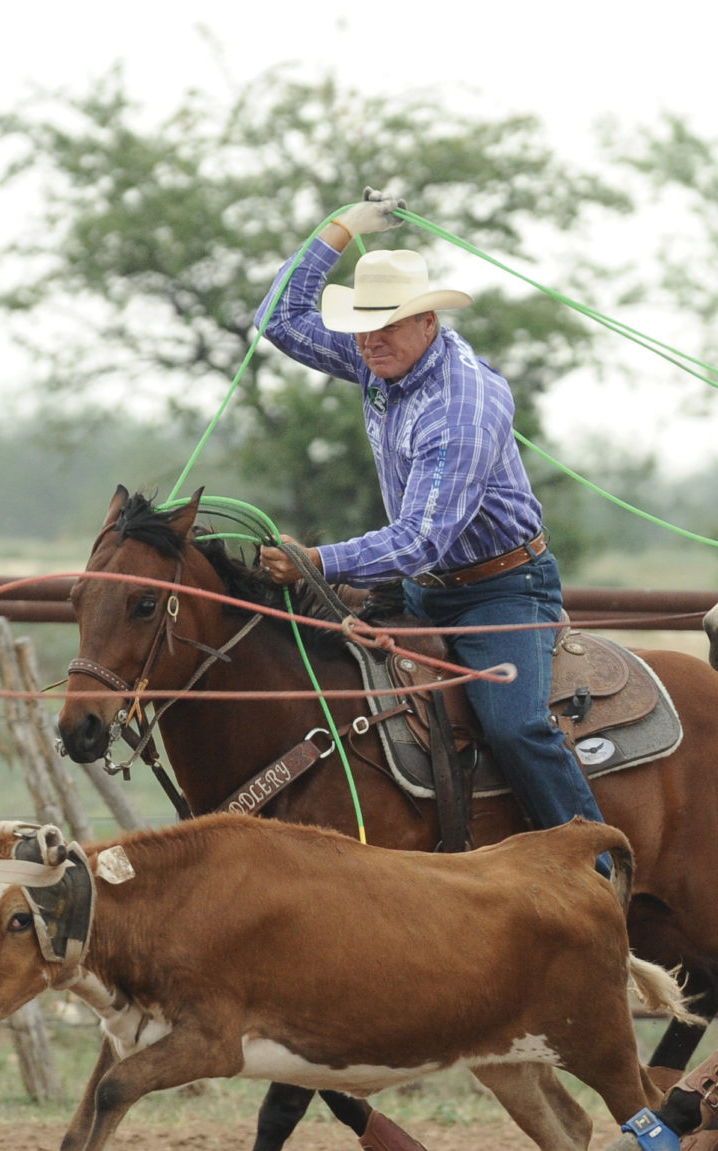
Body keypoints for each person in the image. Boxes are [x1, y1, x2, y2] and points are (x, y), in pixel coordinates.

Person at [251, 199, 608, 863]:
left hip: (502, 589)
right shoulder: (380, 357)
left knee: (516, 726)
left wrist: (318, 560)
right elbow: (278, 318)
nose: (369, 340)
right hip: (424, 585)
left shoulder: (461, 406)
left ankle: (595, 867)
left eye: (386, 325)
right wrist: (340, 228)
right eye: (361, 326)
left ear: (428, 322)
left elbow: (421, 539)